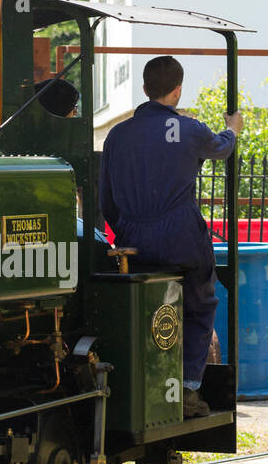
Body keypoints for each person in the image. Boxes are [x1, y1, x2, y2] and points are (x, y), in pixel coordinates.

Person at [99, 55, 243, 418]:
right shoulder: (189, 129)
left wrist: (130, 229)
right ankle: (188, 390)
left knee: (142, 309)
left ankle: (141, 382)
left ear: (145, 89)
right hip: (181, 239)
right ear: (178, 90)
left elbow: (107, 201)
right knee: (199, 305)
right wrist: (233, 129)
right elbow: (222, 148)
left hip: (133, 239)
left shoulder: (118, 134)